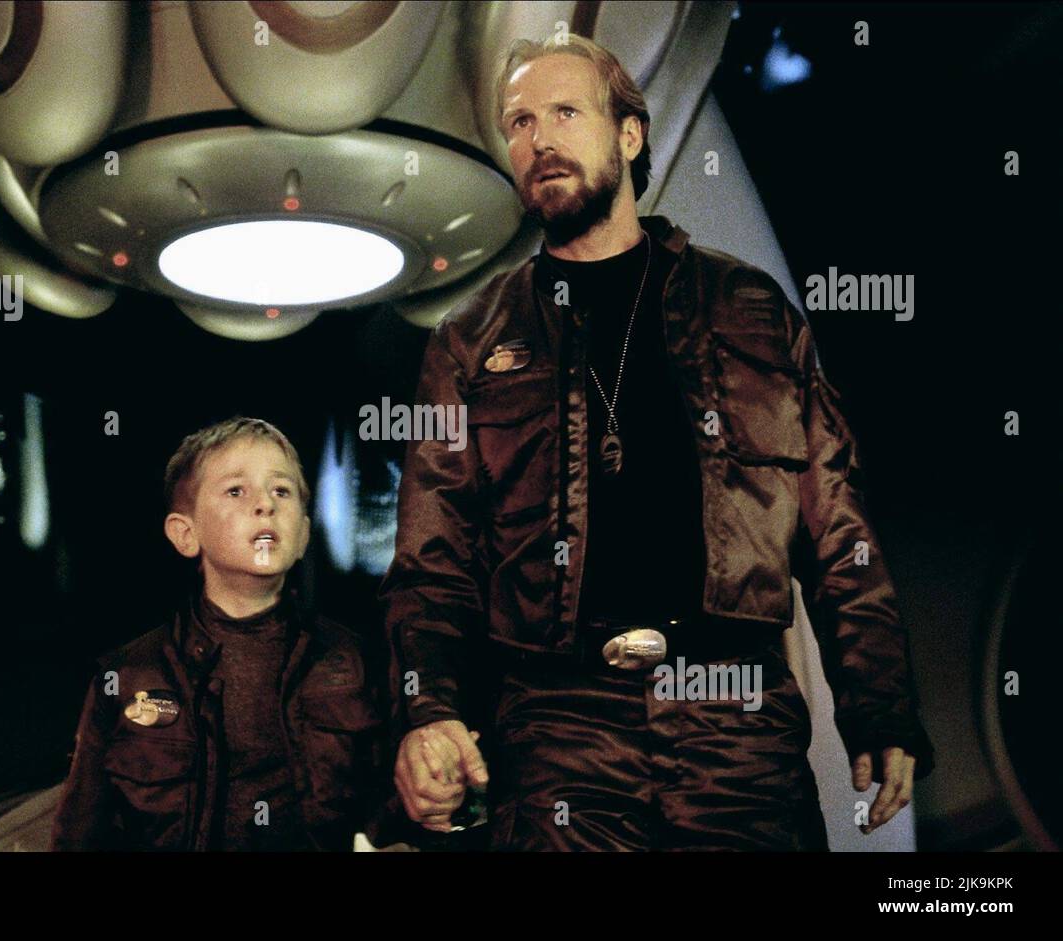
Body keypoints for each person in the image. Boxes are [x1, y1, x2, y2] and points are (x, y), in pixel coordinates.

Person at [379, 34, 935, 850]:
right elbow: (432, 562)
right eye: (520, 122)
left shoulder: (748, 307)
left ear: (630, 135)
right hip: (557, 727)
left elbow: (835, 524)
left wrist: (879, 705)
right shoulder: (471, 338)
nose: (540, 139)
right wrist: (428, 709)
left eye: (566, 112)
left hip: (739, 722)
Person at [51, 417, 384, 851]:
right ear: (186, 534)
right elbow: (78, 838)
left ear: (303, 534)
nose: (265, 505)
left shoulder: (355, 662)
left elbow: (395, 813)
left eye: (281, 491)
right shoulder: (128, 676)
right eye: (236, 491)